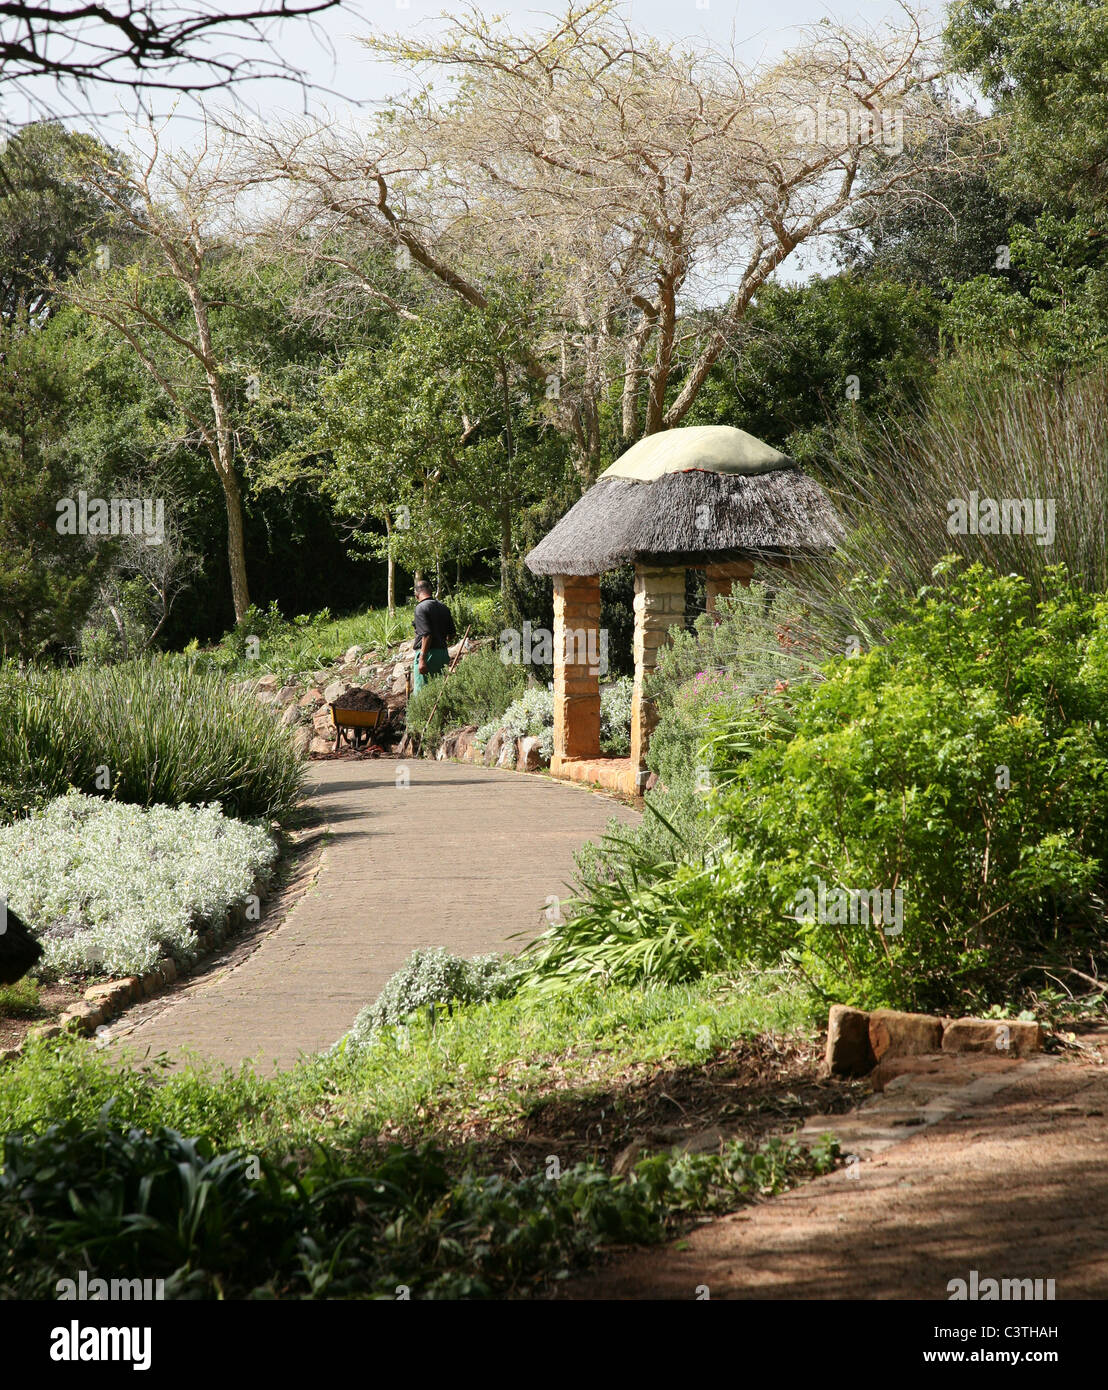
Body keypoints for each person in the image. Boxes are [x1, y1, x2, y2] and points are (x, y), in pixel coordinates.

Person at [411, 579, 457, 694]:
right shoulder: (443, 607)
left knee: (422, 694)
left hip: (428, 655)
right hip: (443, 654)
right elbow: (451, 635)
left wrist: (422, 659)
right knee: (439, 692)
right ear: (430, 591)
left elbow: (426, 635)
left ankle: (422, 713)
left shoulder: (421, 608)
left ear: (417, 594)